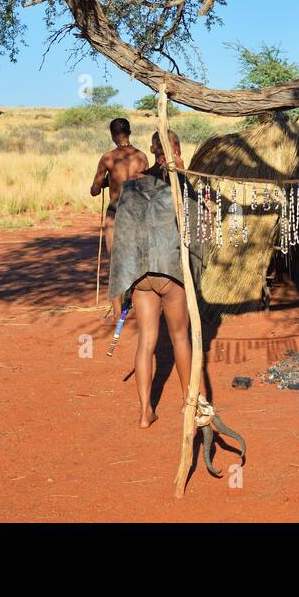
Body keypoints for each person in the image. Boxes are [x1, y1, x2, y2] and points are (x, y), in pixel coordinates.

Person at [109, 127, 201, 428]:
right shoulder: (180, 185)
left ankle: (145, 412)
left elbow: (121, 236)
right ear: (177, 151)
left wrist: (119, 290)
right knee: (179, 338)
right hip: (170, 272)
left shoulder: (133, 186)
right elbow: (199, 231)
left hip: (140, 276)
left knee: (146, 341)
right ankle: (191, 402)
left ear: (151, 151)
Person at [90, 117, 149, 309]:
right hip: (138, 209)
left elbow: (94, 190)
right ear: (129, 132)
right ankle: (136, 298)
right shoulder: (141, 157)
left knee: (115, 257)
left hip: (116, 209)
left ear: (112, 135)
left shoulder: (107, 158)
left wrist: (108, 181)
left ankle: (117, 310)